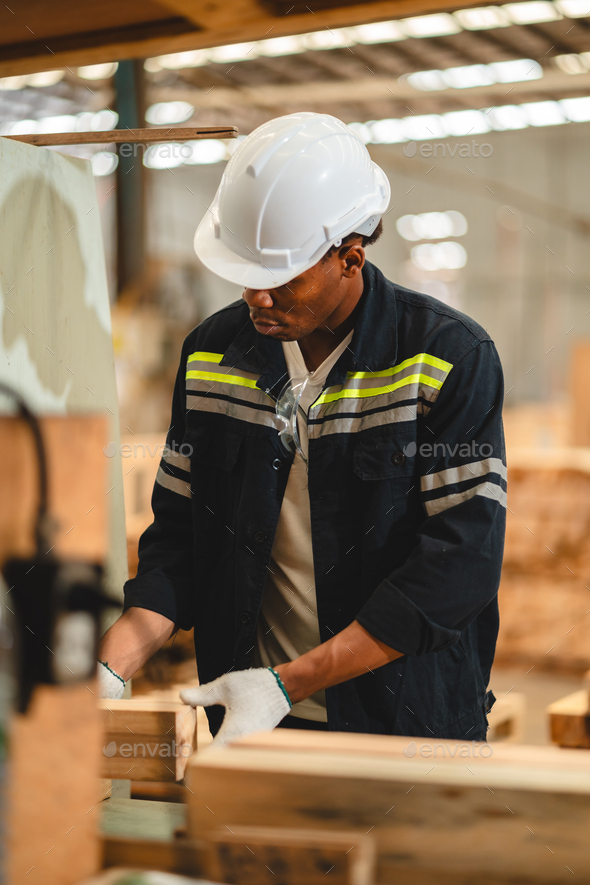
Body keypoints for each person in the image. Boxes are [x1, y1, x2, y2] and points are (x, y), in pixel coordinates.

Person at [98, 112, 506, 747]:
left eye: (280, 278)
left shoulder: (446, 359)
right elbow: (180, 539)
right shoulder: (212, 355)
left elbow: (458, 569)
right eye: (248, 274)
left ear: (350, 255)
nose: (257, 297)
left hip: (405, 729)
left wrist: (289, 682)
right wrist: (110, 665)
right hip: (249, 725)